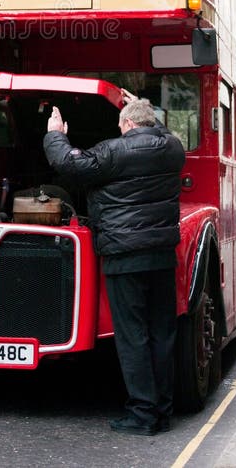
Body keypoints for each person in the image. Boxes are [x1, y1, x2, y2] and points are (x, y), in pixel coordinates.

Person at [44, 92, 185, 436]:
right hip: (161, 255)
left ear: (128, 124)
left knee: (133, 336)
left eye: (122, 123)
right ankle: (161, 411)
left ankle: (142, 414)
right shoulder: (172, 148)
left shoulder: (113, 150)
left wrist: (55, 133)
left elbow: (69, 165)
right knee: (161, 334)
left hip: (124, 256)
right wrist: (144, 105)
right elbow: (161, 131)